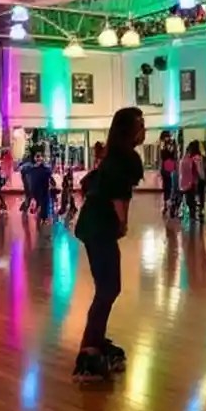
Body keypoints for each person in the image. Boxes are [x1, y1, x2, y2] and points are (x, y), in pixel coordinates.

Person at [72, 108, 146, 381]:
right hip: (99, 225)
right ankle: (89, 350)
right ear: (128, 129)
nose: (143, 130)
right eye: (139, 125)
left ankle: (95, 342)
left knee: (108, 286)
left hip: (95, 224)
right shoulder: (124, 159)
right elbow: (119, 196)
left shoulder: (115, 156)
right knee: (108, 287)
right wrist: (122, 223)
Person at [22, 151, 53, 222]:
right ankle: (42, 217)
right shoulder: (36, 169)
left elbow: (29, 178)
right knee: (43, 203)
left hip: (40, 189)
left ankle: (42, 217)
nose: (39, 159)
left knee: (42, 203)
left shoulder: (33, 169)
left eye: (39, 158)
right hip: (40, 190)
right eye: (38, 157)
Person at [179, 141, 205, 222]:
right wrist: (203, 178)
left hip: (185, 182)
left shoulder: (185, 157)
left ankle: (190, 215)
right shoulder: (197, 157)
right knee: (195, 199)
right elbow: (199, 170)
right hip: (194, 181)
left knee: (189, 199)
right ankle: (193, 216)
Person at [159, 132, 178, 213]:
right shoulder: (169, 144)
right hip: (168, 165)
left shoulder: (167, 144)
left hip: (167, 165)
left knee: (168, 186)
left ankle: (168, 204)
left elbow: (164, 155)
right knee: (169, 186)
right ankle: (168, 204)